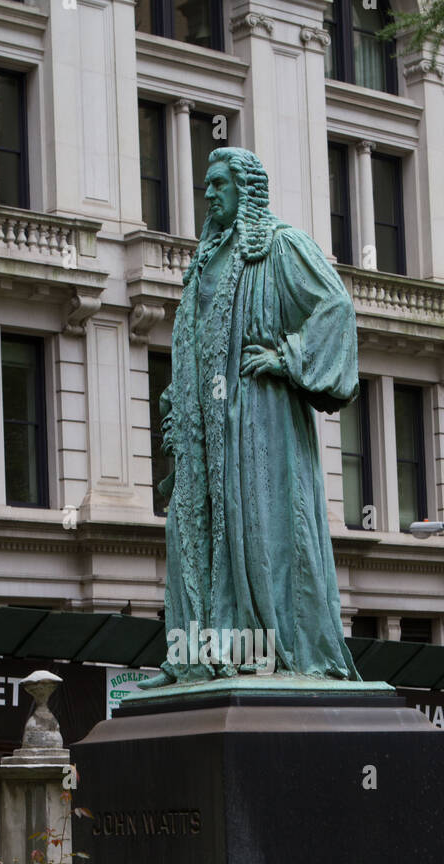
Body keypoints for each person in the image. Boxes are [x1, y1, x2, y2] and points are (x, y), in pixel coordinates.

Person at [149, 145, 361, 685]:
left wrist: (287, 359)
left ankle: (270, 655)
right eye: (206, 185)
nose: (208, 194)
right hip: (204, 429)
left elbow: (335, 306)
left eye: (219, 183)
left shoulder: (279, 245)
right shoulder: (204, 260)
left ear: (246, 190)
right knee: (188, 530)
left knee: (259, 530)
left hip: (258, 420)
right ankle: (192, 657)